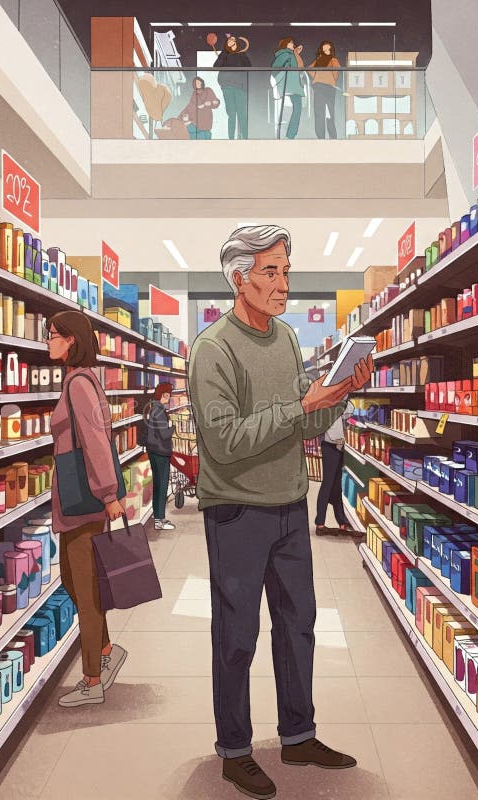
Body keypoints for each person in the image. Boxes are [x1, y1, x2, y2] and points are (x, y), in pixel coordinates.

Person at [189, 225, 373, 800]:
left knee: (299, 627)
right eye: (269, 272)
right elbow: (224, 442)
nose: (281, 283)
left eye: (285, 271)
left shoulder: (289, 340)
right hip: (237, 514)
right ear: (238, 278)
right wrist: (302, 404)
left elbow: (302, 426)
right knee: (236, 635)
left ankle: (298, 734)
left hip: (290, 507)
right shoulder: (212, 350)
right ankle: (235, 751)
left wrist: (333, 398)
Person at [47, 310, 128, 708]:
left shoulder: (78, 383)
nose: (48, 341)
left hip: (84, 502)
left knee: (85, 588)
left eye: (53, 335)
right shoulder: (80, 380)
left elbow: (96, 441)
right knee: (75, 581)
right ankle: (108, 651)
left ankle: (92, 679)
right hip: (78, 502)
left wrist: (108, 493)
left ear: (72, 341)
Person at [315, 399, 355, 534]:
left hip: (337, 444)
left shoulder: (337, 400)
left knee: (336, 485)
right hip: (330, 444)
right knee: (327, 484)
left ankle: (341, 522)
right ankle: (320, 523)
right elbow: (347, 412)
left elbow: (349, 411)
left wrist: (345, 399)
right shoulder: (326, 401)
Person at [145, 382, 176, 530]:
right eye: (169, 395)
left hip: (154, 450)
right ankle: (159, 520)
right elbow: (164, 434)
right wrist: (173, 428)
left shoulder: (153, 409)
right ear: (164, 394)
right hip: (160, 452)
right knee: (162, 486)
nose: (169, 398)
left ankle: (159, 518)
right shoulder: (159, 411)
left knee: (158, 485)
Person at [212, 34, 251, 139]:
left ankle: (245, 137)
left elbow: (249, 66)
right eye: (228, 40)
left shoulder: (242, 54)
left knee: (242, 114)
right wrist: (225, 52)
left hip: (240, 87)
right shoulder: (224, 54)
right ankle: (231, 138)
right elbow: (216, 66)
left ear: (236, 42)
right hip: (227, 87)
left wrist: (240, 54)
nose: (230, 41)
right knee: (231, 114)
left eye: (232, 39)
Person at [271, 37, 305, 139]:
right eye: (290, 43)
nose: (292, 44)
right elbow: (275, 68)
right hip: (290, 85)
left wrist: (296, 53)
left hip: (292, 85)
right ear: (285, 44)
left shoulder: (291, 54)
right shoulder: (284, 54)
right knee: (297, 108)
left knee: (296, 109)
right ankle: (290, 135)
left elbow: (300, 66)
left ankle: (289, 134)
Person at [307, 41, 341, 139]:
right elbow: (336, 72)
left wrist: (316, 77)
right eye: (324, 49)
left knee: (321, 113)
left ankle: (323, 137)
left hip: (321, 87)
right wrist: (331, 80)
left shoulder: (322, 60)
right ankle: (331, 137)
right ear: (321, 50)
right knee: (328, 113)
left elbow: (310, 69)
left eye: (328, 49)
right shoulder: (331, 60)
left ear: (331, 50)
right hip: (327, 87)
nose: (326, 51)